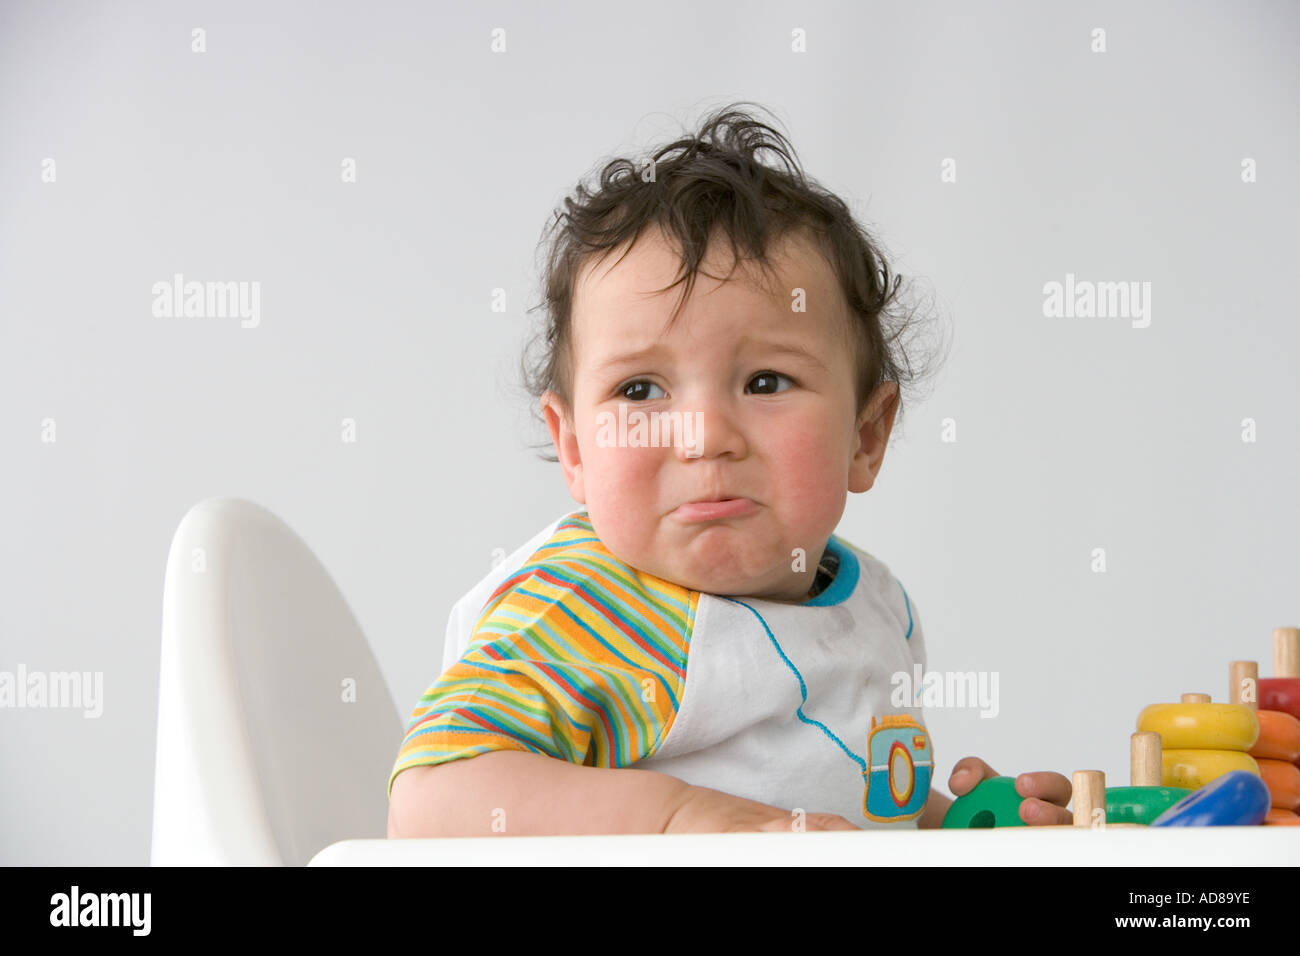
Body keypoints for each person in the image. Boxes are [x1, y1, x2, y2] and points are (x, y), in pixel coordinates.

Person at [387, 103, 1073, 836]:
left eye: (766, 382)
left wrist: (961, 830)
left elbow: (851, 804)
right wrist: (692, 823)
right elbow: (435, 800)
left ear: (866, 436)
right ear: (576, 449)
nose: (704, 436)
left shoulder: (877, 609)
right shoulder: (585, 607)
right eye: (641, 390)